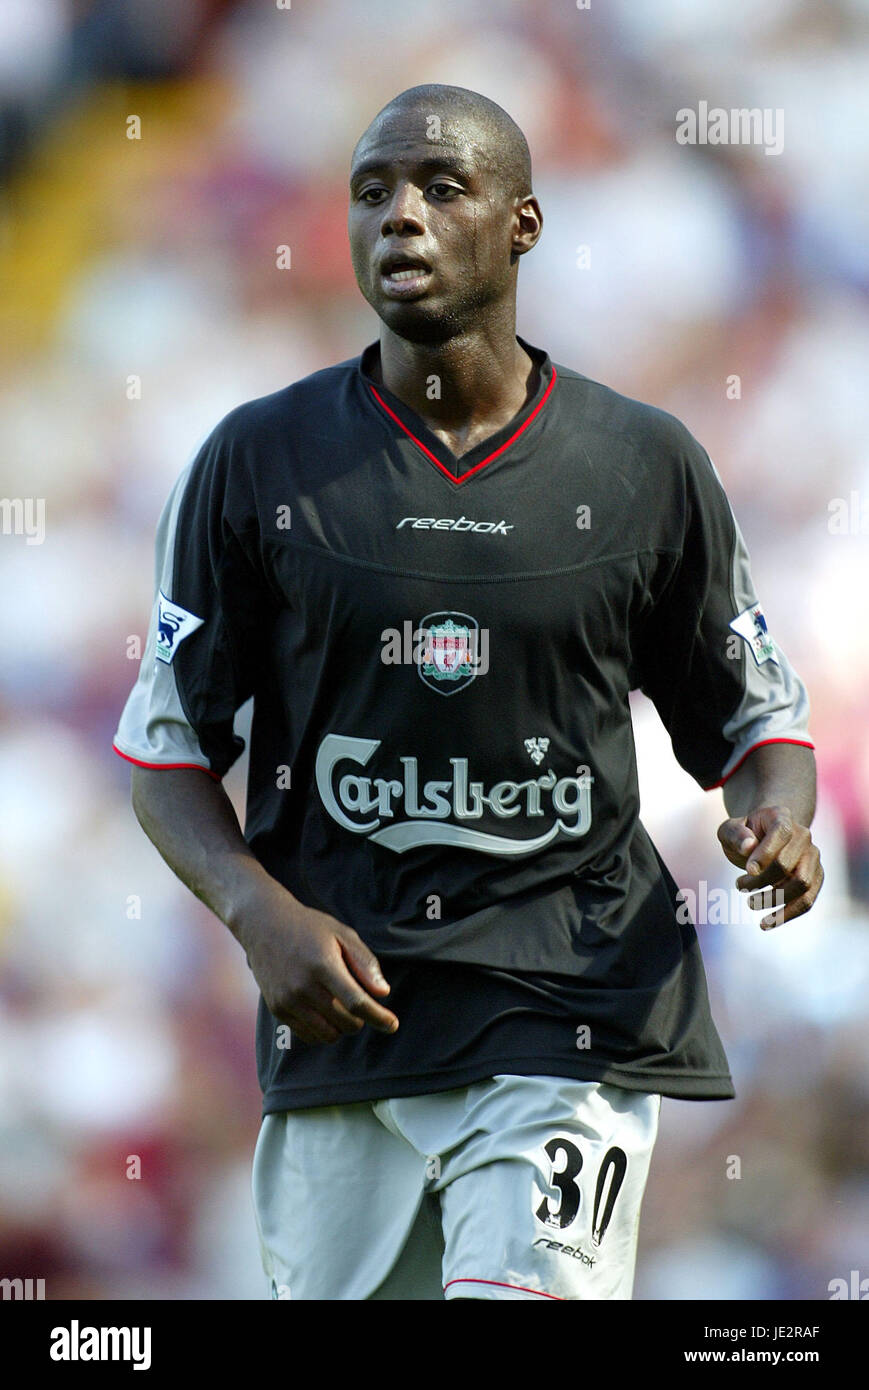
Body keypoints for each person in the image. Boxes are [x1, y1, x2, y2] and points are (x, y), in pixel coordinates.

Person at [113, 84, 824, 1301]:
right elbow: (168, 755)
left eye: (442, 189)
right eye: (372, 191)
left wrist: (780, 816)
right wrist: (256, 914)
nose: (400, 218)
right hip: (347, 1025)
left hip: (571, 1009)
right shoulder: (255, 460)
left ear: (523, 224)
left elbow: (756, 717)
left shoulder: (641, 464)